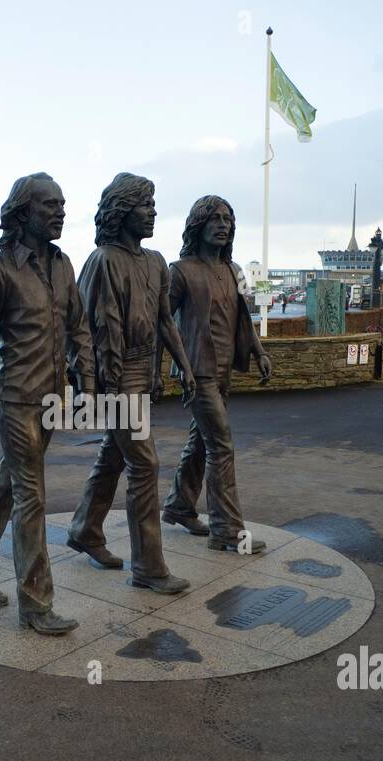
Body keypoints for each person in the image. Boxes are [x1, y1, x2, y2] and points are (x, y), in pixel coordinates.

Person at [0, 173, 97, 636]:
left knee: (11, 484)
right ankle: (35, 604)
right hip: (13, 395)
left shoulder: (63, 265)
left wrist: (87, 382)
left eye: (63, 204)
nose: (60, 212)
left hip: (51, 393)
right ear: (23, 212)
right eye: (49, 205)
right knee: (32, 494)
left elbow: (78, 329)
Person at [67, 172, 196, 593]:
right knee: (145, 463)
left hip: (141, 372)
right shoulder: (103, 260)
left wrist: (179, 366)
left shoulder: (157, 262)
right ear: (122, 212)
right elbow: (91, 328)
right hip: (114, 377)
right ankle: (149, 568)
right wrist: (100, 386)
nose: (153, 212)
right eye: (145, 206)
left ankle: (86, 528)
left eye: (155, 205)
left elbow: (164, 321)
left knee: (114, 455)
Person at [160, 195, 273, 553]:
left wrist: (259, 351)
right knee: (221, 446)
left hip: (224, 368)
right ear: (198, 224)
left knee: (201, 442)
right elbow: (162, 323)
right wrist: (168, 367)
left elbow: (244, 318)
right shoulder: (180, 271)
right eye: (215, 219)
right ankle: (226, 529)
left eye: (228, 219)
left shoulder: (235, 271)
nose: (223, 224)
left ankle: (179, 505)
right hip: (198, 371)